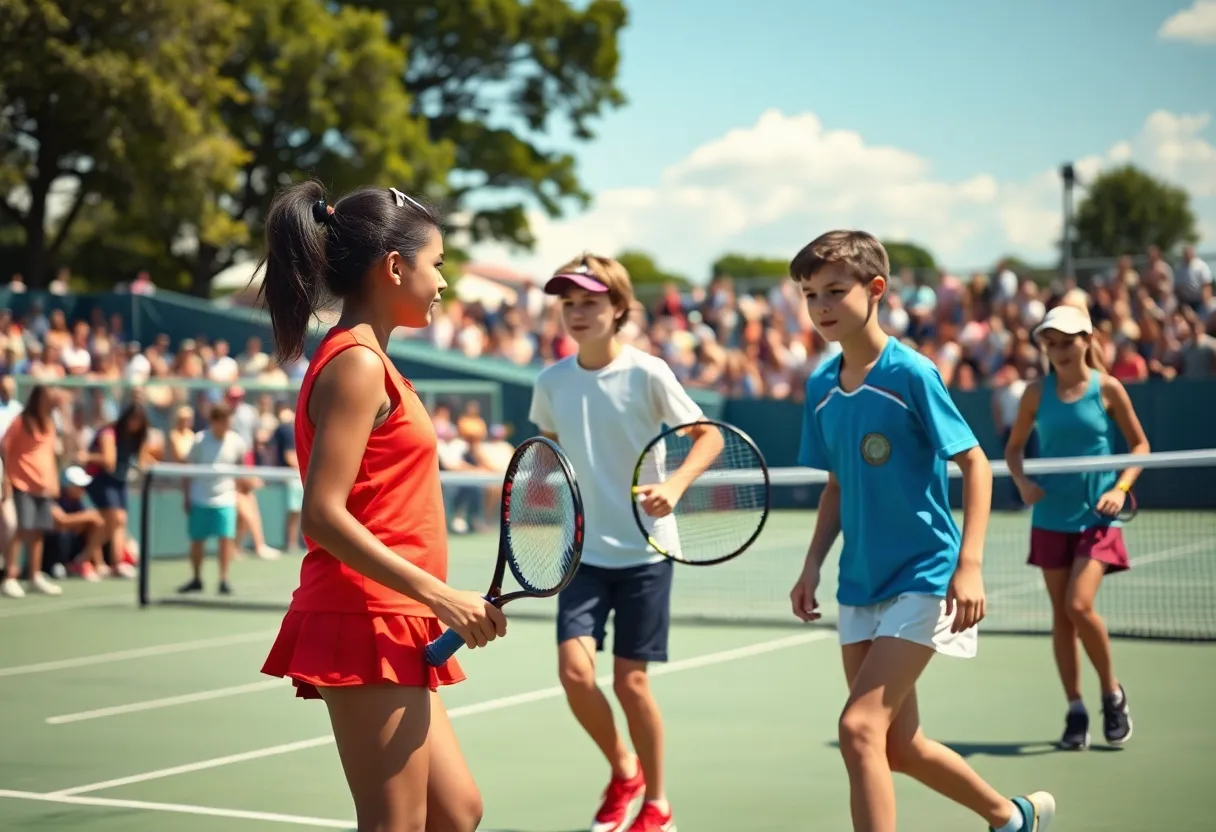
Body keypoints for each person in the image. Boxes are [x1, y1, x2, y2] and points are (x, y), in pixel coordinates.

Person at [257, 179, 505, 832]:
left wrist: (430, 601)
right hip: (365, 616)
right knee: (394, 823)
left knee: (455, 813)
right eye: (439, 265)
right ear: (396, 267)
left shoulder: (372, 363)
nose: (444, 283)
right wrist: (442, 596)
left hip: (397, 615)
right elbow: (322, 515)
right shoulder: (358, 365)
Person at [787, 231, 1054, 832]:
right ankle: (1012, 818)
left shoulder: (910, 373)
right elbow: (836, 486)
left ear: (875, 290)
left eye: (834, 291)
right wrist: (811, 567)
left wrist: (971, 563)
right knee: (896, 747)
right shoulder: (819, 387)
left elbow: (975, 463)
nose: (821, 306)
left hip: (923, 575)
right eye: (809, 295)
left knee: (857, 729)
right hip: (859, 584)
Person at [529, 254, 722, 832]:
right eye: (569, 304)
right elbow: (550, 446)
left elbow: (708, 437)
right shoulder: (551, 382)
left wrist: (675, 484)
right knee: (574, 673)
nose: (578, 313)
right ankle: (624, 770)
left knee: (629, 682)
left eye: (590, 302)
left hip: (645, 554)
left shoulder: (649, 373)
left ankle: (657, 804)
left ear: (618, 310)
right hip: (583, 554)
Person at [1004, 303, 1148, 750]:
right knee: (1061, 619)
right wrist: (1023, 482)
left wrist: (1121, 489)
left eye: (1068, 342)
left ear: (1087, 340)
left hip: (1097, 518)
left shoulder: (1109, 389)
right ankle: (1075, 709)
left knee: (1079, 606)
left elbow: (1141, 446)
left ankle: (1111, 692)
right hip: (1049, 517)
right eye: (1052, 343)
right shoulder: (1033, 393)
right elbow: (1013, 449)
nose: (1060, 351)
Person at [178, 402, 247, 596]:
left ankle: (224, 579)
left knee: (226, 540)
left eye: (228, 421)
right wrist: (186, 496)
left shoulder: (237, 441)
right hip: (200, 498)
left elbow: (242, 467)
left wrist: (242, 489)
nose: (227, 425)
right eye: (223, 421)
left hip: (225, 500)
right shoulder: (200, 440)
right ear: (214, 422)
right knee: (197, 541)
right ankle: (196, 578)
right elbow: (187, 470)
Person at [1, 385, 63, 598]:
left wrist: (53, 482)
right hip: (22, 484)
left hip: (43, 487)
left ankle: (35, 576)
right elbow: (4, 446)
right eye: (47, 397)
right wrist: (6, 479)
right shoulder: (21, 421)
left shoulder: (50, 423)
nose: (51, 400)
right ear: (38, 399)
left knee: (38, 532)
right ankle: (10, 577)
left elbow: (49, 455)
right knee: (19, 530)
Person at [81, 401, 151, 579]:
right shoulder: (109, 433)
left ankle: (114, 562)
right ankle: (86, 559)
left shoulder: (139, 437)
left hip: (119, 481)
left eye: (139, 421)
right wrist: (92, 457)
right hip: (100, 480)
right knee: (115, 518)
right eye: (133, 419)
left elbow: (143, 461)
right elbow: (109, 463)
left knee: (119, 521)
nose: (134, 424)